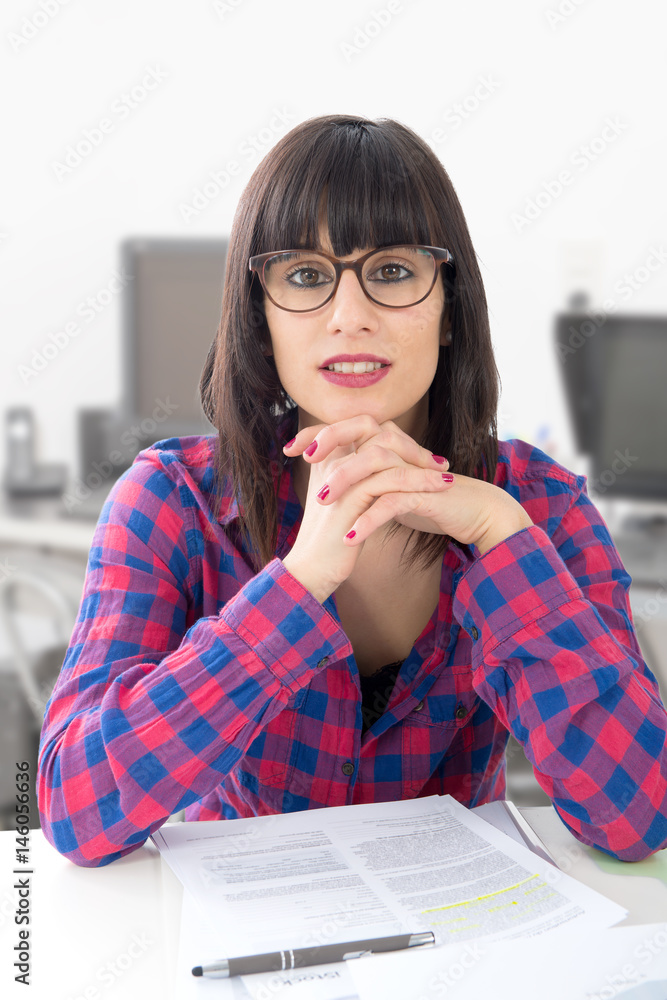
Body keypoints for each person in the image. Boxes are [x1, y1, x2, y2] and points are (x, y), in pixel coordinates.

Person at [37, 114, 667, 868]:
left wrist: (501, 534)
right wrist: (297, 586)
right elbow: (75, 812)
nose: (349, 317)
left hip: (456, 948)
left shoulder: (540, 507)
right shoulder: (171, 501)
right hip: (236, 952)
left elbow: (636, 819)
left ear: (447, 309)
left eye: (393, 271)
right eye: (305, 276)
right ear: (260, 315)